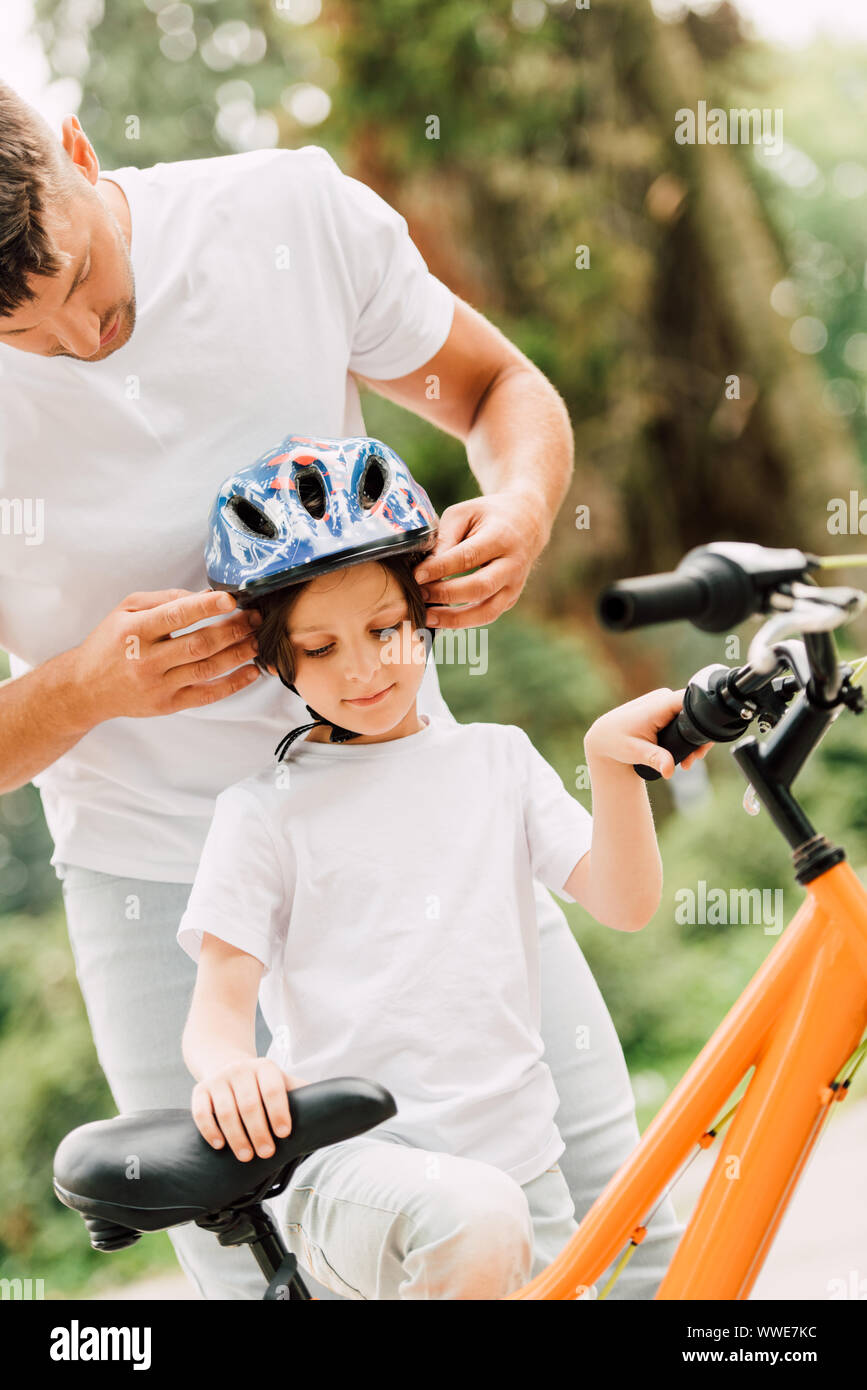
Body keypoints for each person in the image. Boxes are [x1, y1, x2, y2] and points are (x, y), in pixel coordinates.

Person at [0, 80, 684, 1298]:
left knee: (620, 1241)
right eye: (25, 335)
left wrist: (520, 509)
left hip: (426, 820)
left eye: (84, 279)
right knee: (266, 1275)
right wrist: (77, 689)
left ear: (80, 150)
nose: (85, 337)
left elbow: (497, 392)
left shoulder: (288, 216)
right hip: (159, 877)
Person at [175, 436, 710, 1300]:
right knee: (474, 1215)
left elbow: (623, 902)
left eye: (383, 630)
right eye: (318, 648)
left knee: (498, 1216)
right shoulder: (262, 814)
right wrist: (231, 1068)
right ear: (277, 660)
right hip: (351, 1175)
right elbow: (215, 1017)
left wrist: (610, 768)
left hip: (520, 1174)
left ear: (422, 616)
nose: (361, 668)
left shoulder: (497, 764)